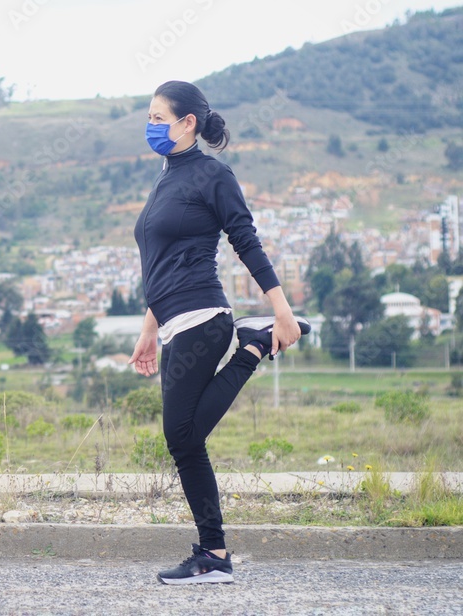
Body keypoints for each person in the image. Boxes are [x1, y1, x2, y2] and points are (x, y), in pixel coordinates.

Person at [127, 80, 311, 585]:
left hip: (204, 319)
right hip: (173, 323)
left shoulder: (213, 175)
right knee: (186, 441)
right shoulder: (166, 177)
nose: (152, 126)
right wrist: (149, 327)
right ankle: (214, 555)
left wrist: (282, 312)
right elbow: (158, 265)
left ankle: (252, 346)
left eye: (160, 117)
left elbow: (245, 241)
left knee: (180, 435)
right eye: (149, 116)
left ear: (189, 124)